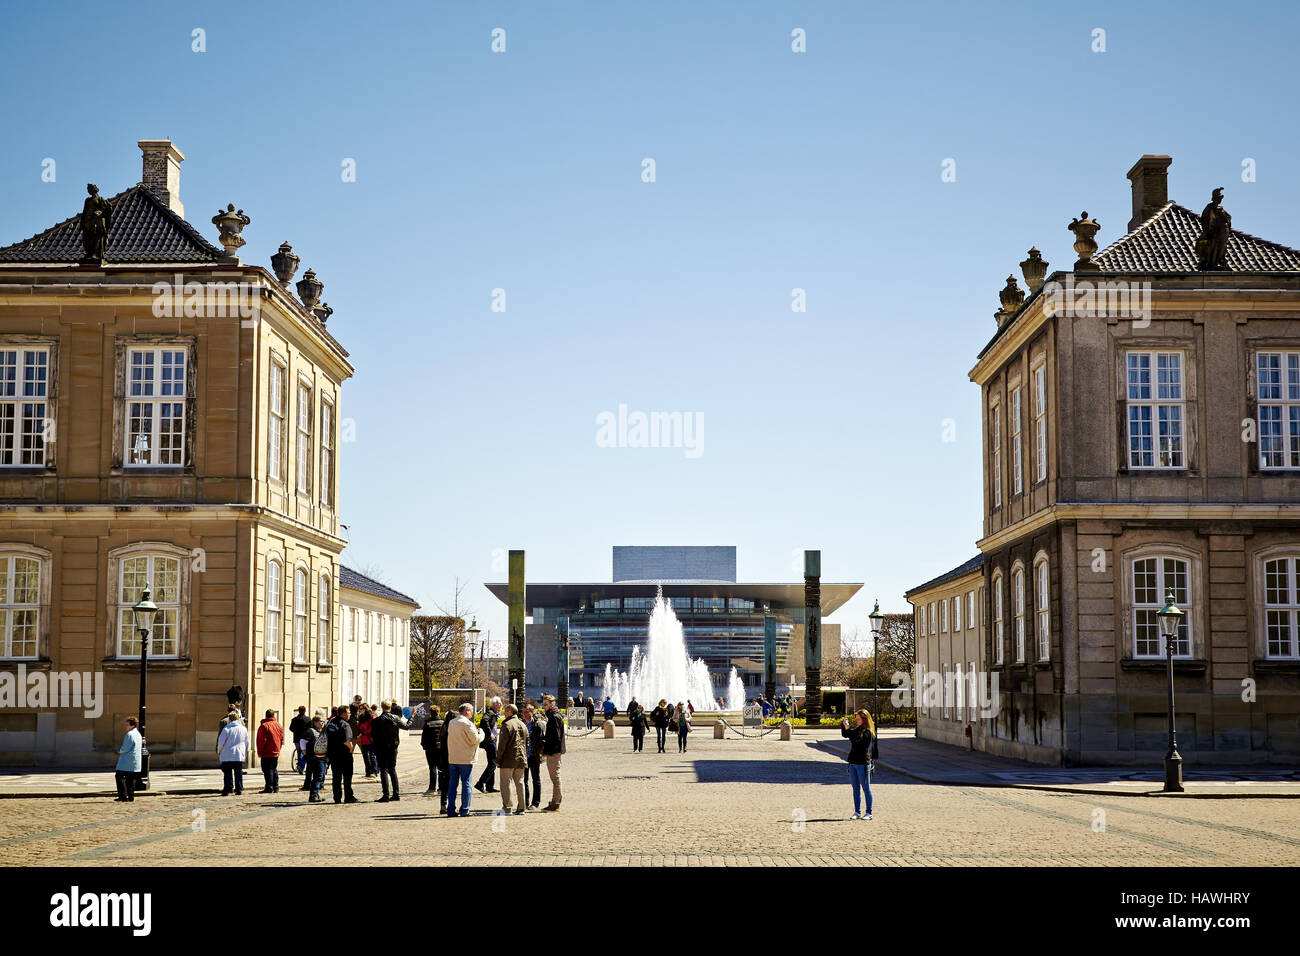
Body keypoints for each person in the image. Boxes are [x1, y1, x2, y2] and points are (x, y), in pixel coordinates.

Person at [446, 703, 483, 817]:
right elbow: (475, 740)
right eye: (471, 711)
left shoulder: (452, 722)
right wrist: (482, 733)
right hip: (466, 758)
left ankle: (451, 809)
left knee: (452, 785)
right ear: (467, 711)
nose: (472, 713)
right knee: (466, 784)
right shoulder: (467, 724)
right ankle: (465, 809)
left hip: (453, 758)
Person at [372, 699, 410, 802]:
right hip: (393, 747)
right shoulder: (395, 718)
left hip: (381, 748)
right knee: (392, 770)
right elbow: (407, 727)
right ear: (391, 707)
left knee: (383, 770)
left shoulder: (376, 721)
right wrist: (411, 718)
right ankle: (396, 794)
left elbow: (373, 736)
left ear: (382, 707)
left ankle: (386, 795)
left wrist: (374, 749)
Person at [842, 709, 876, 820]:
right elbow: (846, 734)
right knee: (855, 789)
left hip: (863, 763)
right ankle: (857, 812)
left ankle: (869, 812)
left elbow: (858, 744)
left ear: (864, 719)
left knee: (866, 788)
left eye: (858, 719)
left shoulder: (867, 732)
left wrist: (849, 731)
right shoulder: (858, 729)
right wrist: (845, 726)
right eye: (856, 719)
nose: (856, 721)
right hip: (853, 762)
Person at [495, 703, 528, 815]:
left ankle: (507, 807)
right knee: (520, 783)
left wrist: (498, 759)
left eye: (505, 711)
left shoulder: (507, 725)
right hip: (521, 758)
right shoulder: (523, 725)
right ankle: (521, 807)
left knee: (506, 783)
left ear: (510, 712)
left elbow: (502, 745)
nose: (504, 713)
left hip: (508, 759)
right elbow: (527, 742)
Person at [326, 705, 358, 804]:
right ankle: (348, 797)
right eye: (348, 713)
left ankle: (337, 797)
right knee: (347, 777)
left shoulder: (331, 723)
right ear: (343, 713)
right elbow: (347, 741)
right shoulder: (345, 725)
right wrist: (351, 749)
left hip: (333, 754)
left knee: (336, 777)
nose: (349, 714)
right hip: (344, 755)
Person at [541, 694, 566, 811]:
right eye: (543, 704)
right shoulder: (554, 716)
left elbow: (556, 737)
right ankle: (555, 801)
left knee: (555, 778)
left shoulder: (554, 717)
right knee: (555, 777)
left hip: (553, 752)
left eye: (545, 704)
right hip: (554, 751)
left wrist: (546, 744)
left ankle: (556, 803)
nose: (543, 706)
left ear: (552, 704)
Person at [217, 710, 249, 795]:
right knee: (238, 773)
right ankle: (239, 789)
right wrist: (245, 753)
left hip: (227, 754)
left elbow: (221, 742)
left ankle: (228, 788)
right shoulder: (243, 729)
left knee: (227, 774)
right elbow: (246, 742)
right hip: (238, 755)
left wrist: (219, 751)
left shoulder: (227, 729)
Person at [421, 705, 447, 803]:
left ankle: (432, 788)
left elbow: (424, 737)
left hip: (431, 748)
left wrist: (424, 746)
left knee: (432, 767)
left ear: (431, 713)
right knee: (441, 768)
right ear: (439, 712)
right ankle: (440, 788)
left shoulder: (427, 723)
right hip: (441, 748)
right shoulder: (443, 722)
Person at [475, 697, 501, 794]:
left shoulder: (492, 713)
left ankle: (490, 786)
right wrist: (489, 733)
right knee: (493, 763)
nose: (501, 705)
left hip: (490, 741)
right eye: (499, 703)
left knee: (491, 762)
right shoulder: (490, 713)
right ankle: (480, 783)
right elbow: (484, 721)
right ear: (494, 704)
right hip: (490, 741)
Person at [256, 709, 284, 794]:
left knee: (267, 770)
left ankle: (269, 787)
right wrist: (279, 748)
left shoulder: (264, 726)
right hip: (275, 751)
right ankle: (276, 786)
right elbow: (282, 739)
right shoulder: (278, 725)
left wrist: (260, 752)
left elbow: (261, 740)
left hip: (267, 751)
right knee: (273, 769)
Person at [114, 716, 142, 802]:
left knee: (119, 776)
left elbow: (125, 748)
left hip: (127, 762)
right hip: (135, 762)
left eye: (127, 724)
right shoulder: (138, 734)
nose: (126, 726)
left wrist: (119, 751)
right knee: (130, 780)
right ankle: (130, 796)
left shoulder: (129, 734)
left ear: (131, 725)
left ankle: (122, 796)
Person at [303, 710, 328, 802]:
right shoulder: (310, 731)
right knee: (318, 776)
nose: (322, 723)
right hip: (314, 757)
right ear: (315, 723)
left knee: (319, 776)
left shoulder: (323, 731)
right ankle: (313, 795)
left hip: (322, 757)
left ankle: (315, 794)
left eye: (323, 722)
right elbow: (303, 742)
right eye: (320, 722)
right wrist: (305, 754)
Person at [522, 701, 543, 810]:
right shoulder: (521, 724)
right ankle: (525, 802)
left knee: (536, 779)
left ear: (532, 712)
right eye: (524, 712)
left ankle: (535, 803)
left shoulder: (537, 724)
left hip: (534, 756)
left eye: (528, 711)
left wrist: (539, 753)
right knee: (524, 780)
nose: (525, 714)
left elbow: (541, 740)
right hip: (523, 756)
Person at [287, 705, 310, 775]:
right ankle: (301, 766)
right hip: (305, 738)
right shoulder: (308, 719)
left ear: (299, 711)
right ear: (305, 711)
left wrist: (296, 731)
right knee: (304, 752)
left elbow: (290, 728)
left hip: (296, 738)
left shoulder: (294, 719)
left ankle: (300, 766)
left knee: (299, 752)